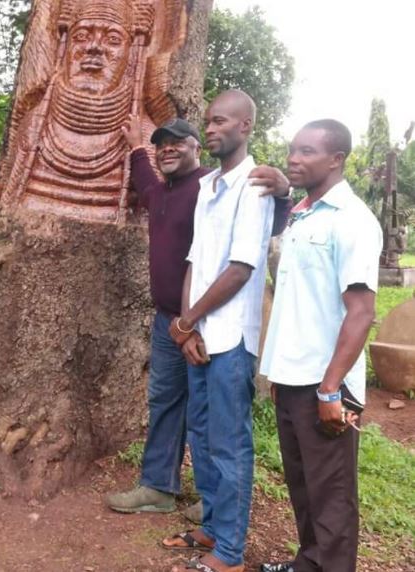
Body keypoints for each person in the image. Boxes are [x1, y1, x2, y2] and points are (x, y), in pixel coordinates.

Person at [104, 115, 289, 522]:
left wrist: (285, 192)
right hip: (170, 320)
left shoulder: (212, 186)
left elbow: (269, 227)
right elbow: (146, 181)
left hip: (210, 321)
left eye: (178, 143)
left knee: (208, 415)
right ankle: (157, 487)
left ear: (197, 149)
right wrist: (137, 147)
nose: (167, 149)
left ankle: (215, 500)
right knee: (165, 402)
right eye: (161, 145)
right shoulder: (162, 191)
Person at [258, 120, 381, 572]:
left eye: (307, 151)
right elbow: (297, 302)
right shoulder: (303, 215)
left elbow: (361, 312)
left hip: (325, 384)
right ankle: (308, 563)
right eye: (293, 149)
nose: (294, 158)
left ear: (337, 159)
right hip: (292, 377)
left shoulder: (352, 221)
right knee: (304, 485)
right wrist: (276, 373)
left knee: (331, 496)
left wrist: (331, 389)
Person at [166, 90, 274, 572]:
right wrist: (186, 327)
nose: (210, 129)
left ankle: (230, 550)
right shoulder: (209, 186)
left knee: (231, 443)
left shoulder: (255, 187)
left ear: (246, 126)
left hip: (231, 339)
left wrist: (191, 320)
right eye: (208, 121)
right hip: (199, 337)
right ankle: (211, 527)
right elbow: (195, 261)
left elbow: (240, 269)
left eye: (220, 121)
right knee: (202, 434)